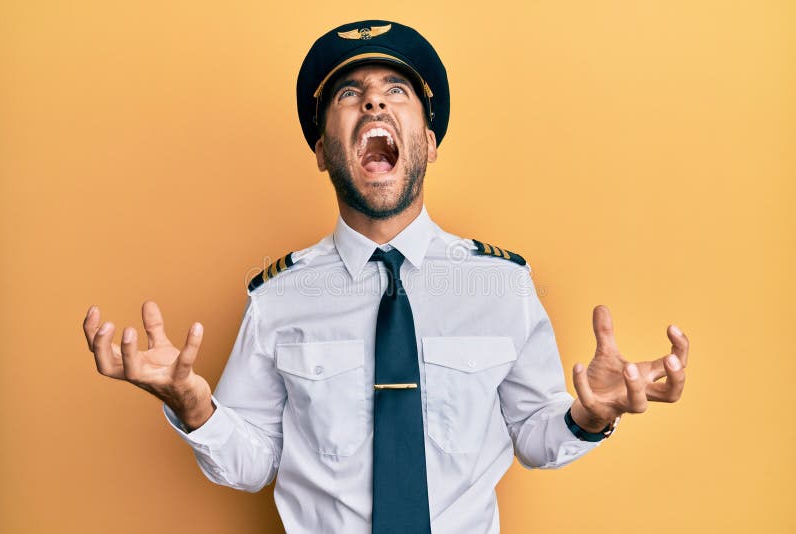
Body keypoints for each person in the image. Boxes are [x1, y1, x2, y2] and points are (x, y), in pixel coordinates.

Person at [82, 20, 689, 534]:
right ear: (322, 149)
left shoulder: (503, 285)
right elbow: (253, 461)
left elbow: (533, 436)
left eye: (395, 89)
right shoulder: (277, 297)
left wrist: (590, 416)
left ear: (427, 139)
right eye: (349, 93)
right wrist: (196, 409)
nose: (373, 102)